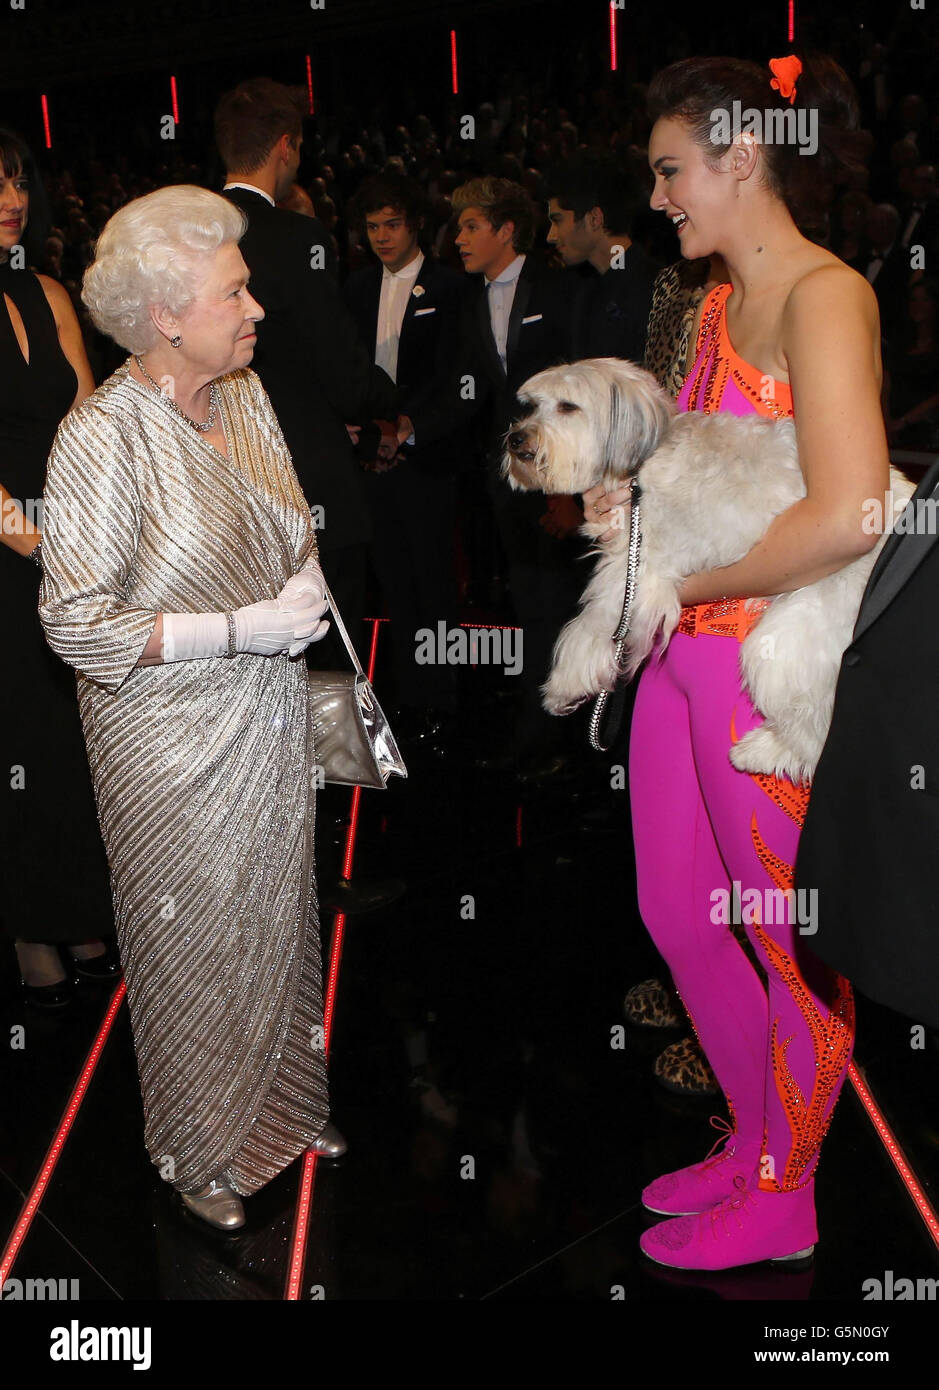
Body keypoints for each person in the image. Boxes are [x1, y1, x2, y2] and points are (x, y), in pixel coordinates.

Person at [583, 52, 882, 1270]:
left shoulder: (825, 295)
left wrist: (682, 581)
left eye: (670, 170)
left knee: (783, 935)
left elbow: (853, 510)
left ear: (740, 155)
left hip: (761, 667)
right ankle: (755, 1133)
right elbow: (707, 478)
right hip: (678, 658)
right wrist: (630, 506)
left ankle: (788, 1190)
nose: (659, 198)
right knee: (678, 914)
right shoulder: (707, 307)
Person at [38, 186, 346, 1232]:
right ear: (166, 315)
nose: (257, 306)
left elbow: (288, 514)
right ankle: (197, 1149)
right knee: (190, 940)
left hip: (267, 712)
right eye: (234, 291)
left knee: (281, 910)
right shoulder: (97, 440)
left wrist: (304, 585)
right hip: (163, 741)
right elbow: (75, 624)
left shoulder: (246, 396)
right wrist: (237, 629)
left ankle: (293, 1107)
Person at [405, 176, 581, 780]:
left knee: (564, 605)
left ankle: (562, 742)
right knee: (533, 605)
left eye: (472, 226)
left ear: (507, 230)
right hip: (506, 484)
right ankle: (541, 738)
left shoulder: (560, 290)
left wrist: (569, 491)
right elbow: (465, 393)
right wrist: (404, 431)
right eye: (458, 228)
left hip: (567, 483)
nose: (459, 239)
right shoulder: (468, 302)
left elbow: (579, 393)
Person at [0, 127, 119, 1008]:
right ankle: (27, 932)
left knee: (75, 746)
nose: (9, 195)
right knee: (21, 747)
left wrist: (101, 530)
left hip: (66, 547)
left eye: (16, 179)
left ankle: (81, 912)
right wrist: (40, 543)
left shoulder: (48, 292)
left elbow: (86, 420)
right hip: (10, 562)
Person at [344, 172, 469, 746]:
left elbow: (458, 379)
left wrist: (410, 428)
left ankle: (444, 698)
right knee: (393, 583)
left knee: (434, 582)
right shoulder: (356, 287)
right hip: (372, 456)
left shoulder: (450, 286)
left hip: (429, 457)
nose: (381, 236)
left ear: (414, 224)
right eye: (372, 227)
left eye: (391, 224)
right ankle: (412, 697)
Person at [545, 152, 658, 362]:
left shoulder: (656, 290)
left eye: (558, 220)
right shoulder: (580, 289)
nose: (551, 236)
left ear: (594, 219)